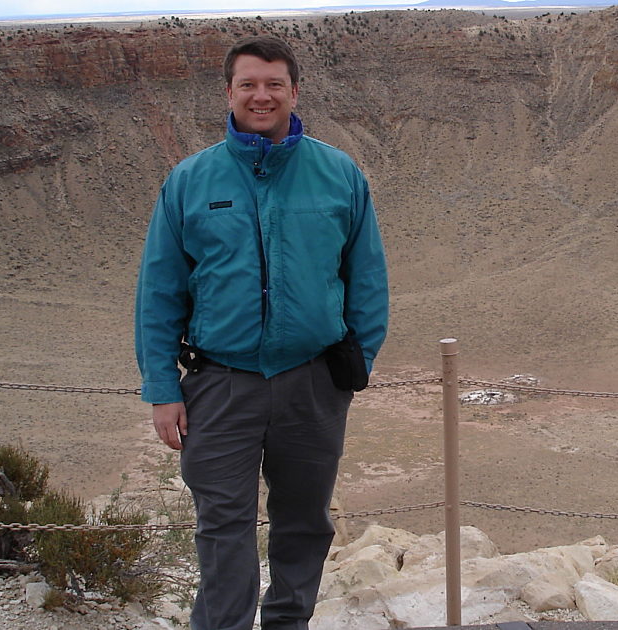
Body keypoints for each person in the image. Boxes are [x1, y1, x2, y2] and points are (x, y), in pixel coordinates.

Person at [134, 35, 388, 630]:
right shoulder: (190, 180)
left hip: (312, 383)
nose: (261, 95)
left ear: (295, 91)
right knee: (222, 528)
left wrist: (354, 366)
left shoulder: (338, 174)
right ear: (228, 92)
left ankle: (287, 623)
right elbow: (160, 291)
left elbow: (367, 277)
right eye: (248, 84)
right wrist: (161, 386)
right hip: (219, 386)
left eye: (274, 84)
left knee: (304, 522)